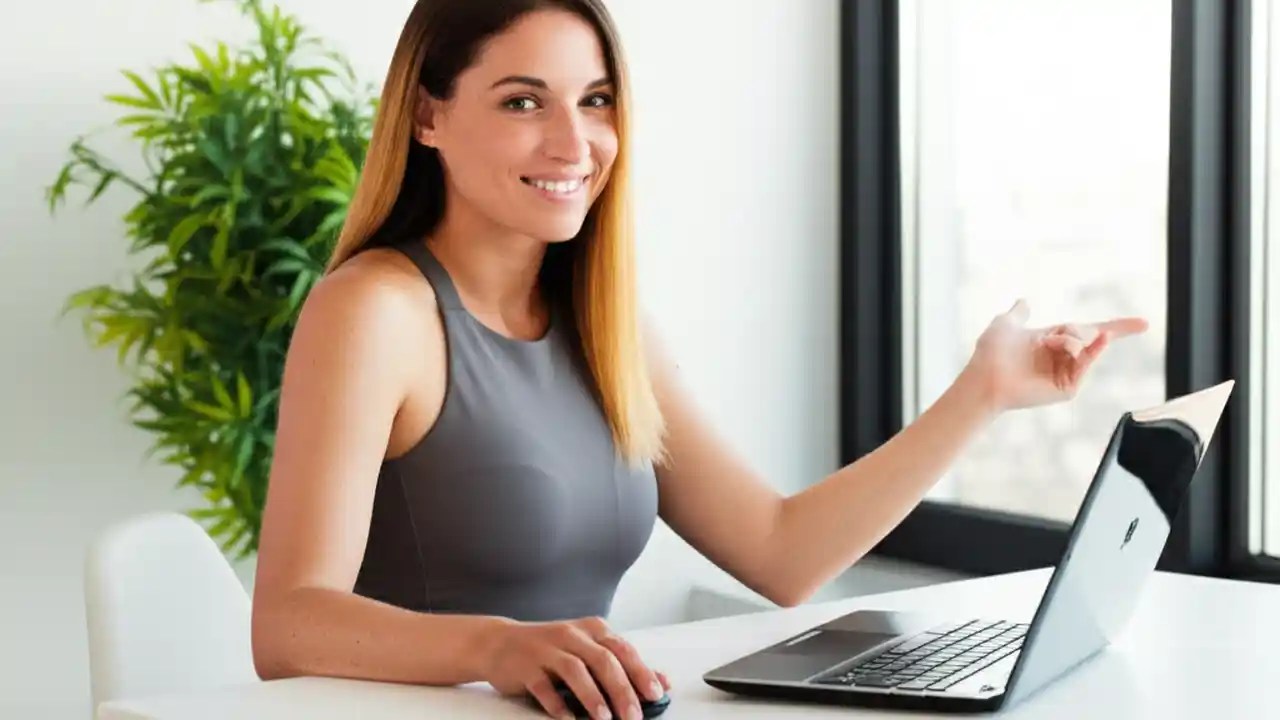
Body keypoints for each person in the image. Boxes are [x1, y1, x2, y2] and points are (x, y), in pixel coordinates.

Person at [249, 1, 1150, 719]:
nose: (574, 143)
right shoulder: (377, 310)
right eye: (524, 101)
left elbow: (779, 552)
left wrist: (983, 391)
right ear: (428, 116)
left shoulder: (604, 322)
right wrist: (496, 647)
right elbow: (289, 625)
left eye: (595, 100)